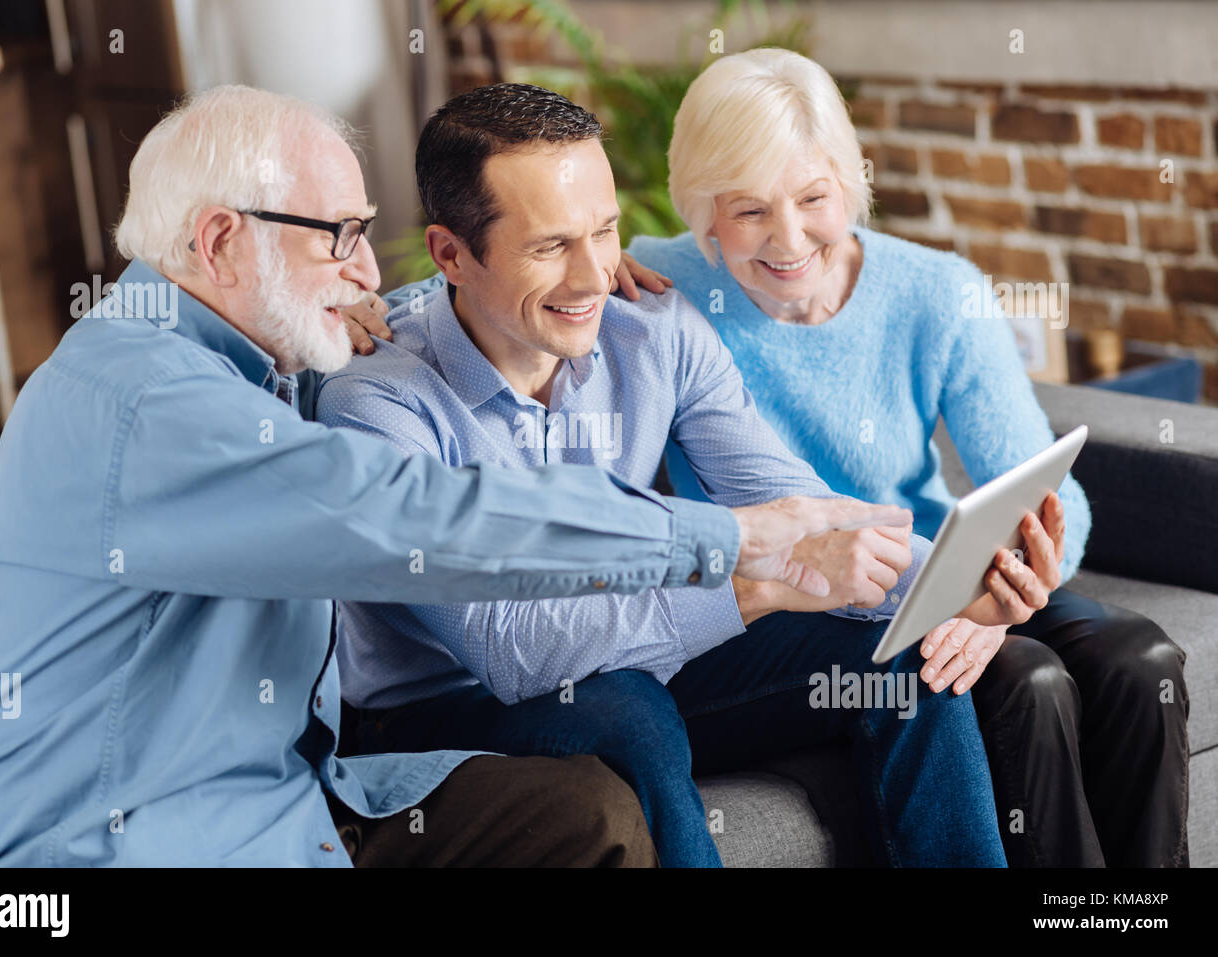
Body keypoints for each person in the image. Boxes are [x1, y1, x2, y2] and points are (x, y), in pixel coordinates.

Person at [0, 84, 890, 868]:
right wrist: (730, 540)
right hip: (125, 853)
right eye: (339, 235)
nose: (366, 269)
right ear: (221, 241)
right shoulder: (145, 398)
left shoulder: (245, 367)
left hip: (305, 801)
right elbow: (420, 518)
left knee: (584, 817)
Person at [318, 83, 1066, 867]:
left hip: (642, 652)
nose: (593, 278)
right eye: (550, 246)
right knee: (627, 710)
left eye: (604, 233)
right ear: (450, 254)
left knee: (899, 663)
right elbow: (516, 650)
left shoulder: (652, 329)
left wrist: (964, 583)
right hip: (453, 702)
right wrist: (764, 585)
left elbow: (799, 507)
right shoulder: (376, 401)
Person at [624, 48, 1188, 867]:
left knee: (1140, 661)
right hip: (794, 609)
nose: (788, 240)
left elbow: (1049, 491)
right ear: (701, 212)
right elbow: (515, 275)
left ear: (850, 183)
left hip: (939, 568)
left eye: (814, 198)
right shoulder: (661, 284)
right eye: (747, 211)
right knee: (1028, 683)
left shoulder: (934, 291)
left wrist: (1004, 589)